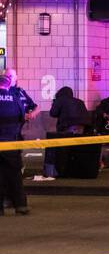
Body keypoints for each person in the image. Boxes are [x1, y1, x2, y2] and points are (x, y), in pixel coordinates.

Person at [0, 71, 32, 214]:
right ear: (8, 84)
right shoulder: (15, 98)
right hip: (12, 142)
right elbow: (22, 117)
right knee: (15, 175)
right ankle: (20, 206)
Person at [39, 86, 90, 178]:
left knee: (65, 149)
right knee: (78, 148)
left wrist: (54, 104)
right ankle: (77, 168)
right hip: (82, 127)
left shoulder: (60, 100)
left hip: (67, 126)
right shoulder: (79, 101)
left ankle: (64, 169)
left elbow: (53, 113)